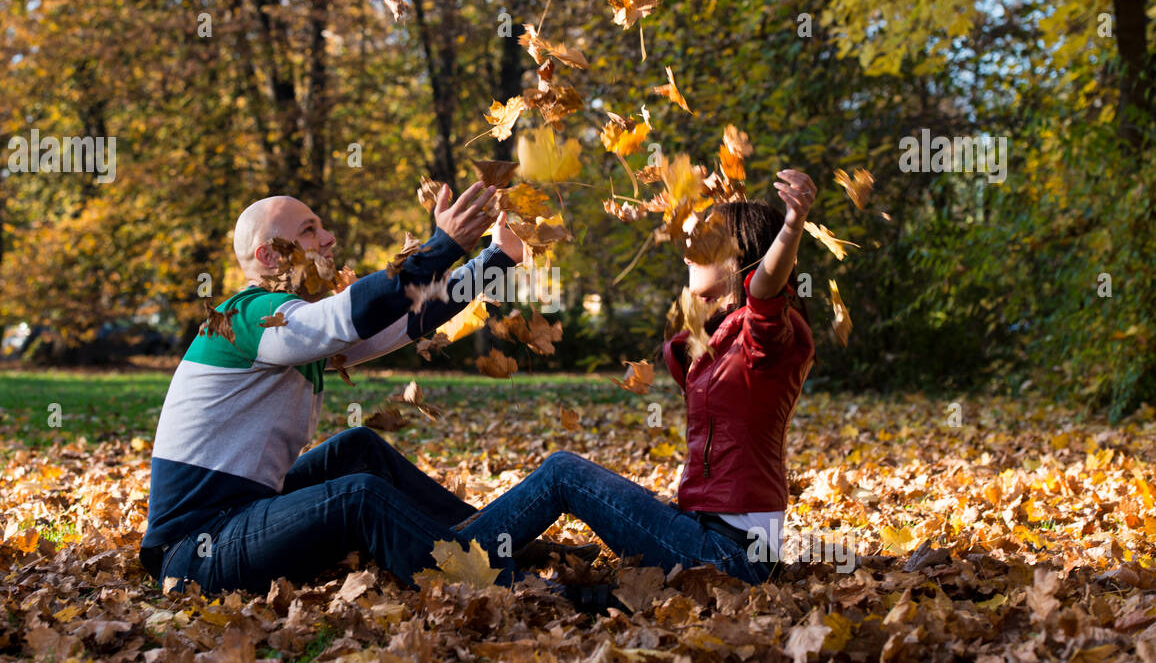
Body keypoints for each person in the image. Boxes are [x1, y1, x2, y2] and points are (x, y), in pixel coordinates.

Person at [139, 182, 586, 595]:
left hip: (245, 513)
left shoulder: (290, 328)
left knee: (358, 448)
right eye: (310, 231)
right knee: (358, 495)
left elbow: (401, 320)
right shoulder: (249, 317)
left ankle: (497, 545)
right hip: (196, 550)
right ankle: (515, 588)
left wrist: (496, 258)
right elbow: (347, 317)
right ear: (270, 257)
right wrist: (441, 246)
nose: (329, 238)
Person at [456, 170, 819, 589]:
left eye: (705, 247)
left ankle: (455, 555)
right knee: (572, 490)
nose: (687, 256)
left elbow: (767, 289)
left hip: (732, 554)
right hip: (707, 534)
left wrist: (792, 226)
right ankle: (473, 550)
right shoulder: (716, 338)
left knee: (563, 472)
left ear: (741, 258)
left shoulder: (769, 337)